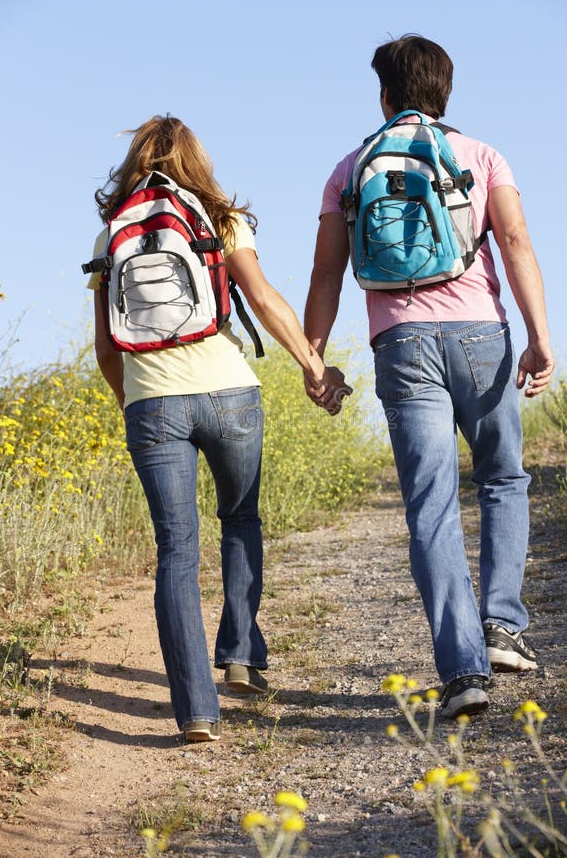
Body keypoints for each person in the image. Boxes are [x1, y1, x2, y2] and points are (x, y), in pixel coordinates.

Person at [303, 35, 555, 719]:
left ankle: (462, 671)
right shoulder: (481, 155)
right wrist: (538, 335)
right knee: (502, 478)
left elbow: (327, 274)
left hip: (401, 341)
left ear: (384, 95)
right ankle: (503, 624)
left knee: (432, 504)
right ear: (447, 92)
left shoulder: (352, 167)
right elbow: (517, 241)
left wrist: (315, 355)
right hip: (482, 336)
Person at [89, 115, 350, 742]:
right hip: (230, 390)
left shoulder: (111, 234)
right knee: (241, 517)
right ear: (197, 161)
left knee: (176, 552)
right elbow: (260, 297)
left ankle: (196, 714)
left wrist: (138, 402)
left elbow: (105, 347)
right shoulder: (219, 219)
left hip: (154, 404)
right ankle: (239, 654)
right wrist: (314, 367)